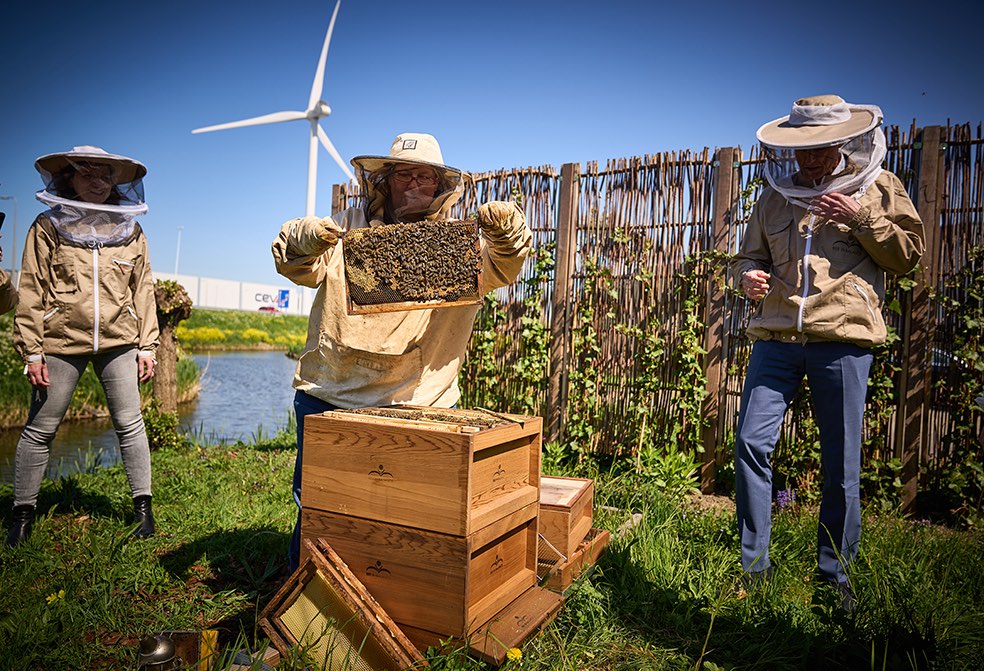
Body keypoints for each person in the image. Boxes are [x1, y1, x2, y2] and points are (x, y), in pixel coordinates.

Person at [272, 132, 533, 572]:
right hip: (333, 396)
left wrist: (509, 234)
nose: (415, 184)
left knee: (409, 518)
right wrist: (306, 236)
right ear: (384, 182)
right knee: (320, 507)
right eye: (405, 174)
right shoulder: (346, 228)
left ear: (439, 187)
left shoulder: (458, 244)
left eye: (426, 177)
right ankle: (302, 600)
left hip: (418, 403)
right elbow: (293, 263)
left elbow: (504, 266)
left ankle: (389, 600)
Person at [732, 96, 925, 608]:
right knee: (750, 444)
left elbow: (908, 258)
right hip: (776, 340)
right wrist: (746, 275)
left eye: (819, 150)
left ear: (843, 143)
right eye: (801, 150)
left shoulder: (879, 187)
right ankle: (754, 569)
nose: (809, 161)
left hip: (842, 342)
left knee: (841, 462)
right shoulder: (776, 196)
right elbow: (747, 256)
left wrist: (862, 219)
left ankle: (834, 578)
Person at [5, 146, 160, 548]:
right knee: (40, 429)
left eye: (104, 176)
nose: (96, 182)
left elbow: (142, 289)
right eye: (87, 173)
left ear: (116, 183)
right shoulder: (46, 226)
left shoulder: (131, 231)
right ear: (67, 178)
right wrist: (32, 350)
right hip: (60, 342)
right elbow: (31, 289)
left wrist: (148, 346)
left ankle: (143, 510)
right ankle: (21, 515)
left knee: (130, 424)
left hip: (119, 341)